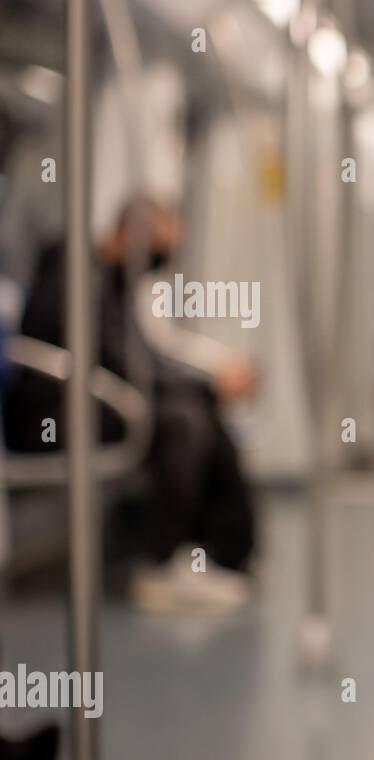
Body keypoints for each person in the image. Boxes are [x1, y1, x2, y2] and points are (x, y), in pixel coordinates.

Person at [1, 197, 259, 612]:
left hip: (96, 401)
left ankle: (227, 552)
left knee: (201, 413)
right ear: (129, 238)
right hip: (52, 412)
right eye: (156, 247)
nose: (158, 260)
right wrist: (205, 386)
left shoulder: (109, 278)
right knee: (183, 422)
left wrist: (206, 383)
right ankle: (163, 564)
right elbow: (112, 355)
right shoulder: (73, 268)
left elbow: (139, 355)